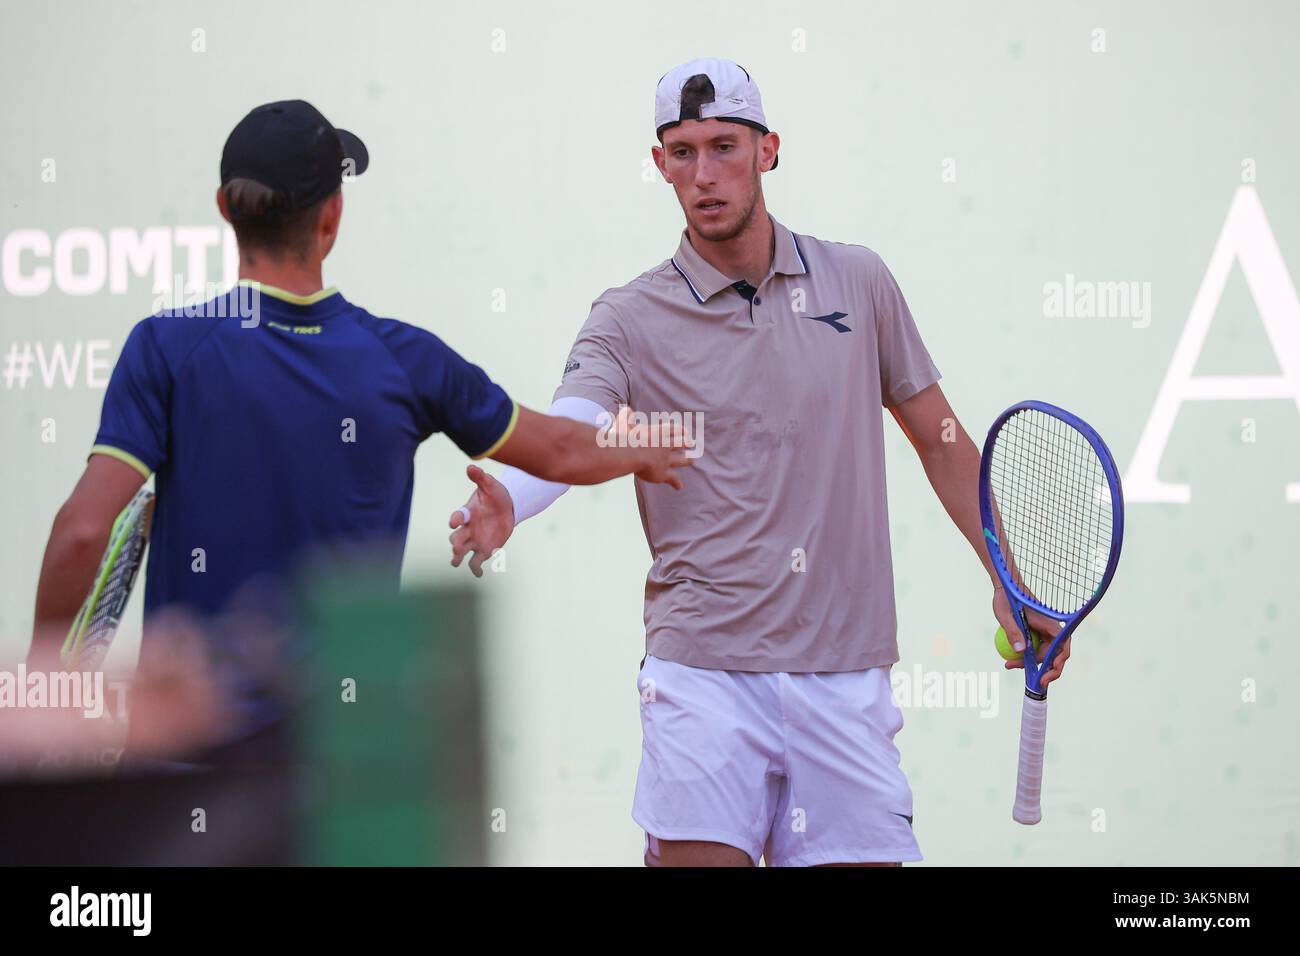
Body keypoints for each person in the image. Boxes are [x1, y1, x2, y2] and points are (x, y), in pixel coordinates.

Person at [449, 60, 1064, 866]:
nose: (704, 175)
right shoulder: (627, 318)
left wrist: (1008, 578)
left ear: (768, 150)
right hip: (701, 679)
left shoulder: (860, 280)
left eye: (724, 147)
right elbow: (574, 427)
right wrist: (514, 500)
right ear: (660, 162)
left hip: (845, 678)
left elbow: (942, 443)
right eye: (682, 151)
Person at [29, 99, 692, 769]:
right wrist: (643, 447)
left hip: (191, 769)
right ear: (332, 217)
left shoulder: (165, 349)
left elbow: (84, 531)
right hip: (342, 778)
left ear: (226, 210)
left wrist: (41, 677)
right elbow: (560, 449)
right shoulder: (406, 360)